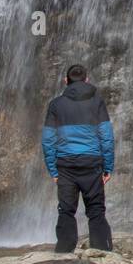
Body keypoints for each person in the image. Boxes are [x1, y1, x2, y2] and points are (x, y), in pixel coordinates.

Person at [41, 64, 114, 252]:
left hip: (66, 166)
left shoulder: (56, 105)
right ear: (87, 80)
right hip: (92, 164)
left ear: (66, 81)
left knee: (66, 210)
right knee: (96, 210)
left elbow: (48, 139)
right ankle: (102, 252)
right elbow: (106, 137)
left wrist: (53, 170)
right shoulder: (97, 102)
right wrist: (108, 167)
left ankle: (64, 253)